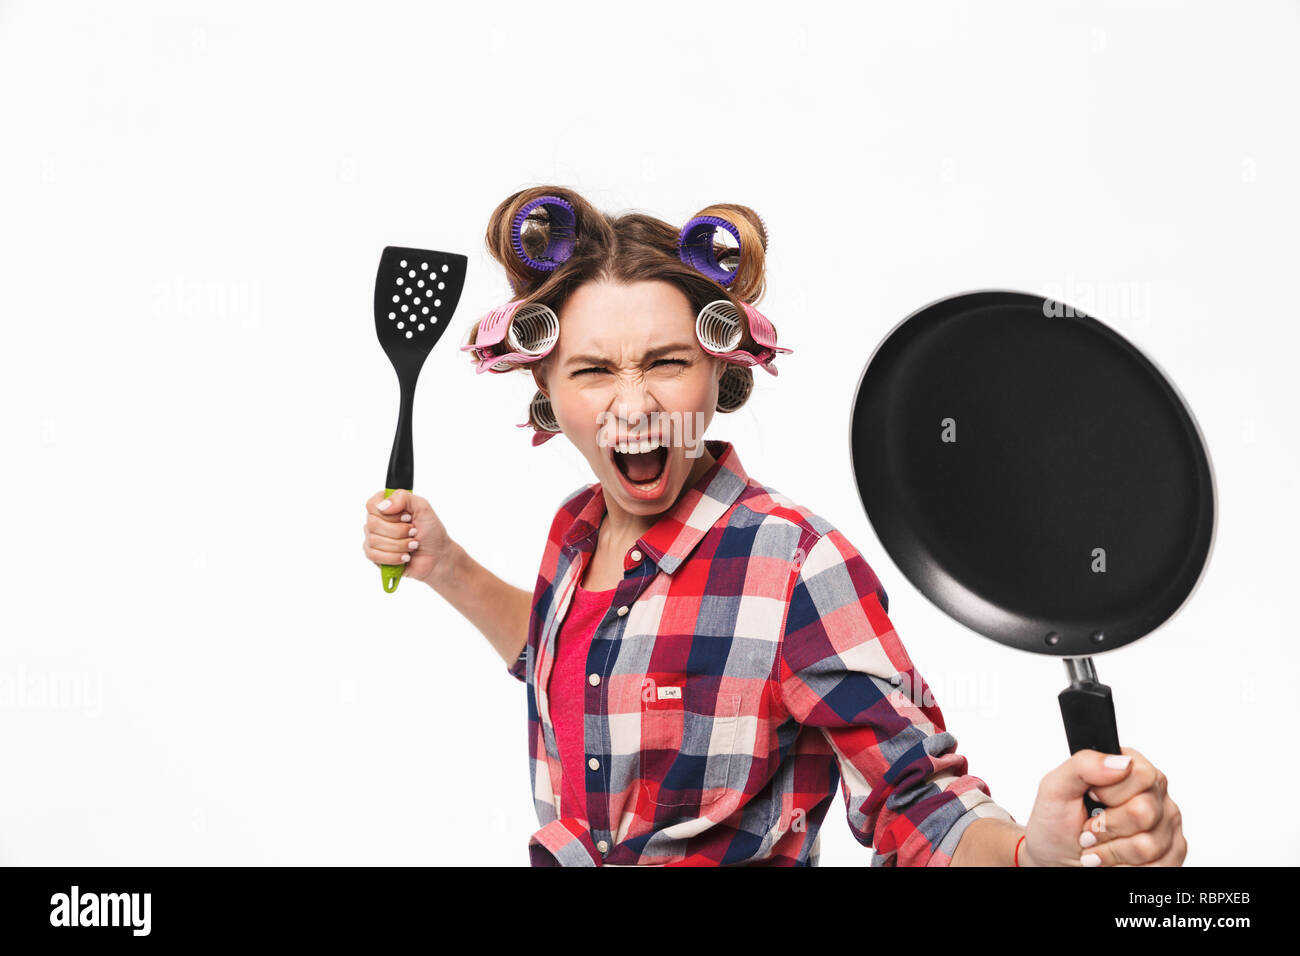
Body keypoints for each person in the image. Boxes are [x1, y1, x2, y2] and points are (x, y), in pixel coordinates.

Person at [361, 186, 1185, 867]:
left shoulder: (794, 566)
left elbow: (914, 797)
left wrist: (1030, 858)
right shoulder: (574, 537)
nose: (634, 405)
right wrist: (448, 566)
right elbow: (565, 655)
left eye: (667, 361)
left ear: (720, 372)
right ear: (547, 386)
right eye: (594, 371)